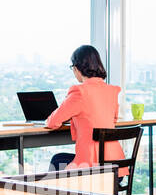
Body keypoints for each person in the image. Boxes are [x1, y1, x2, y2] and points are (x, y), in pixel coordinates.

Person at [44, 44, 125, 175]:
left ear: (76, 68)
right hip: (116, 168)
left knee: (57, 161)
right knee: (60, 159)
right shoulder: (112, 90)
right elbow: (113, 120)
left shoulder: (79, 92)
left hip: (93, 169)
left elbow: (52, 122)